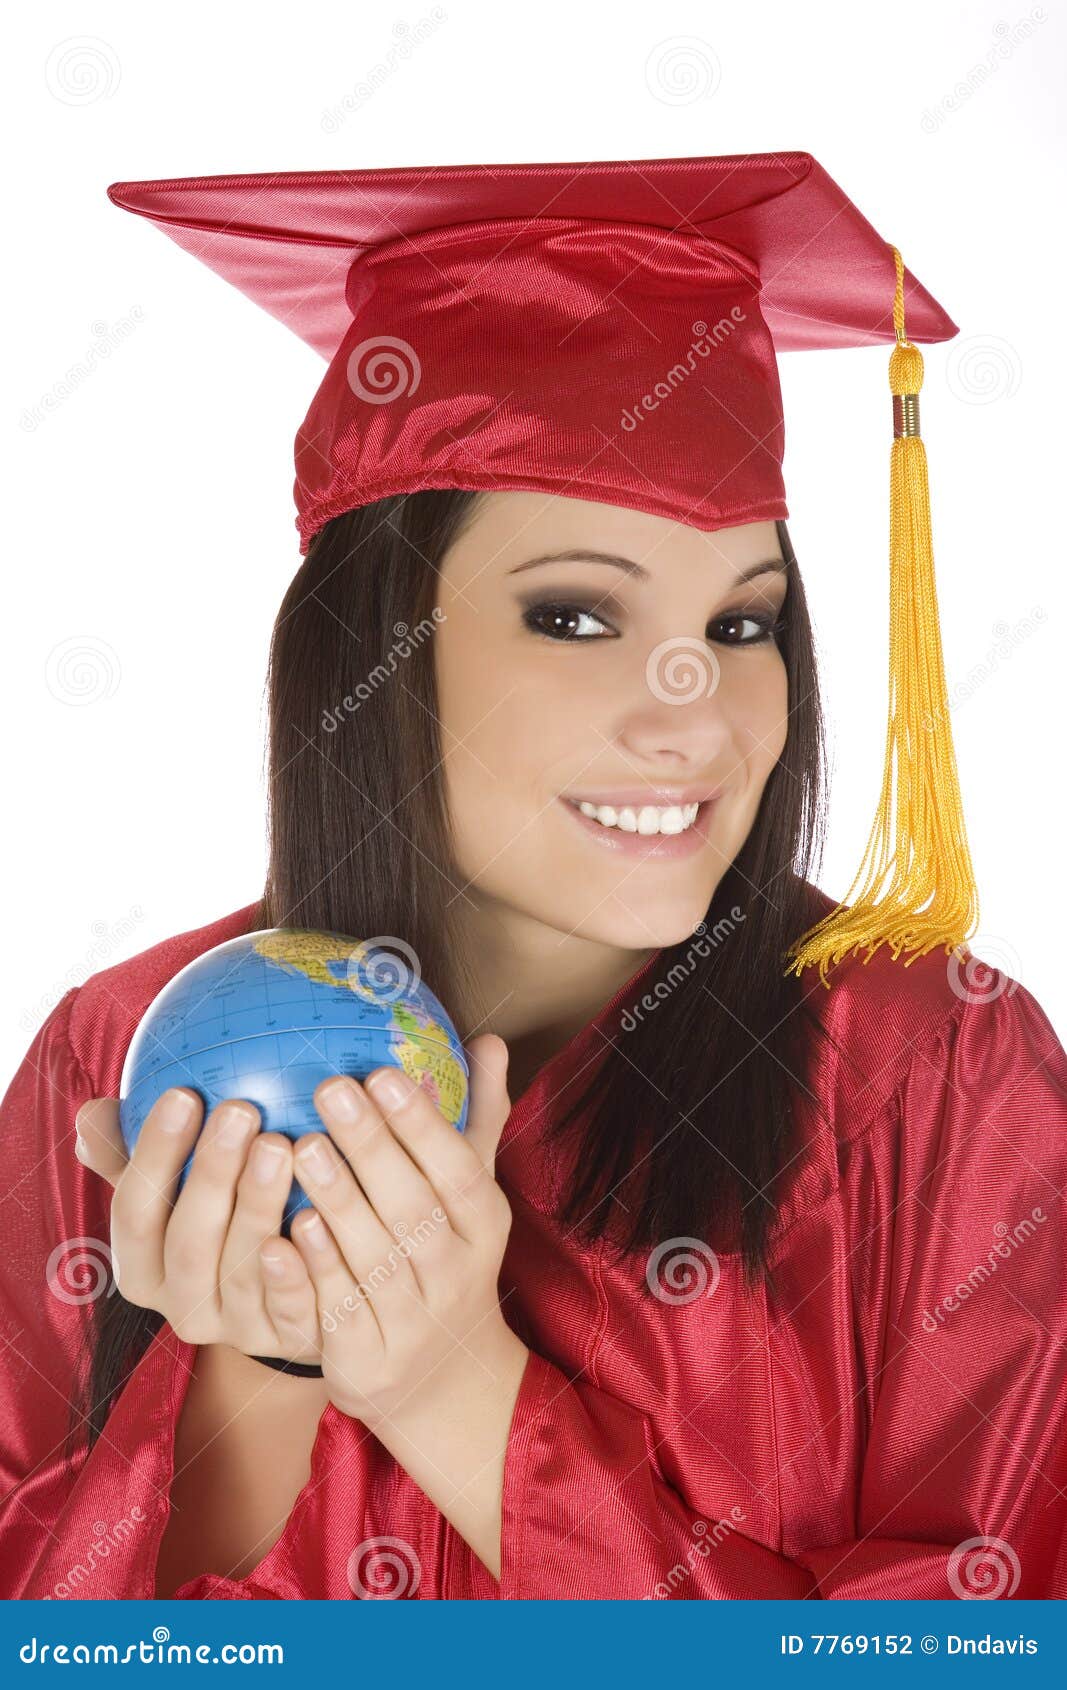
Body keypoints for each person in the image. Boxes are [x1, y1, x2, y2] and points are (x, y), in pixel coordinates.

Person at [1, 153, 1065, 1602]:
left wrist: (456, 1391)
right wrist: (255, 1376)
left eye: (746, 625)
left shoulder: (934, 1075)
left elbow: (988, 1631)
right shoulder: (129, 1067)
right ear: (374, 655)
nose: (694, 706)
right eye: (575, 614)